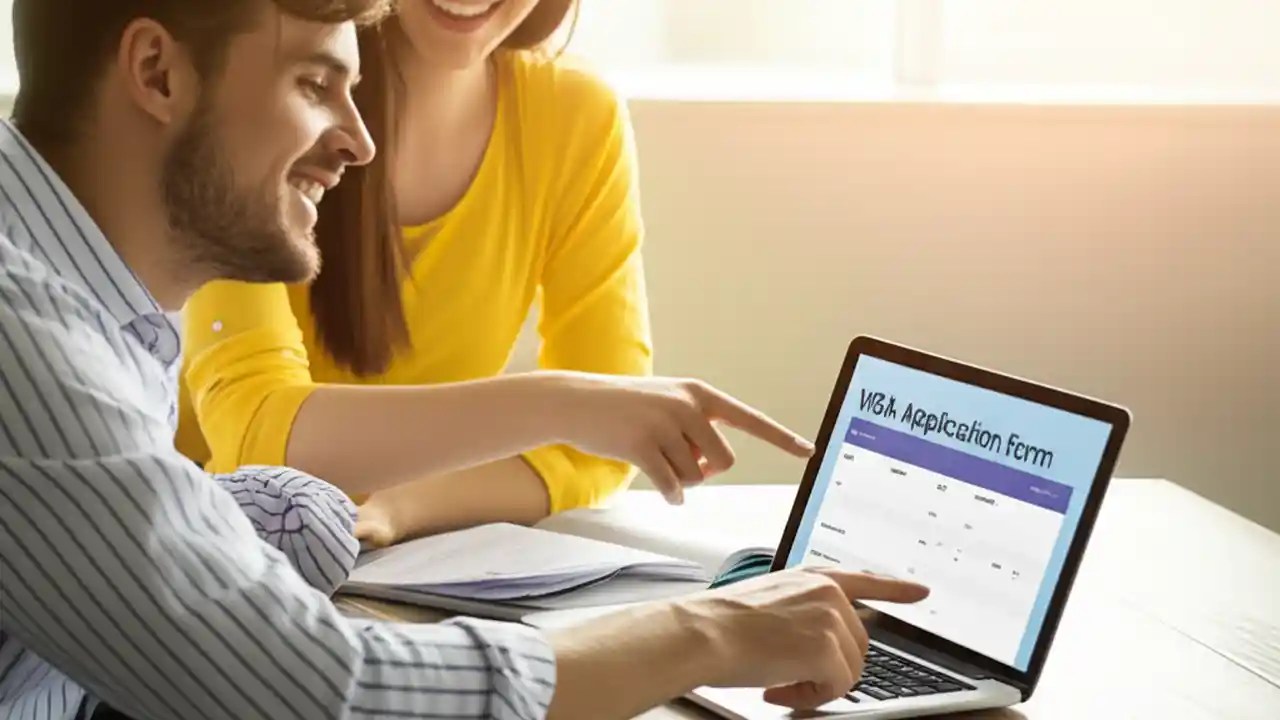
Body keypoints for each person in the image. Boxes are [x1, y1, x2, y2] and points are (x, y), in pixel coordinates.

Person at [0, 1, 933, 718]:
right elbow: (322, 693)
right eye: (314, 86)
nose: (355, 142)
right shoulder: (30, 345)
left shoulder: (90, 303)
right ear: (157, 73)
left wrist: (309, 514)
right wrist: (708, 631)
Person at [172, 0, 674, 547]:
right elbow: (256, 438)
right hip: (204, 547)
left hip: (392, 562)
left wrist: (404, 507)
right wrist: (561, 405)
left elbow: (605, 446)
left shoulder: (575, 115)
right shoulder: (258, 96)